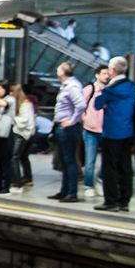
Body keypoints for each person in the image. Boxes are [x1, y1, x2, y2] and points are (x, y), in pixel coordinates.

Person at [92, 56, 135, 213]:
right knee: (125, 167)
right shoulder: (131, 86)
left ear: (112, 70)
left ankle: (111, 201)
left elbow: (97, 104)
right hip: (128, 131)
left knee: (109, 168)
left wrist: (102, 91)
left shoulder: (111, 89)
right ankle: (125, 201)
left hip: (112, 132)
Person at [49, 63, 87, 203]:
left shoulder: (72, 86)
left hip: (69, 129)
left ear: (62, 72)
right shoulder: (66, 86)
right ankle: (64, 191)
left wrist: (72, 120)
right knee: (65, 161)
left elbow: (81, 105)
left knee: (70, 160)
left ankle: (72, 193)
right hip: (62, 127)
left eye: (58, 69)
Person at [79, 64, 109, 199]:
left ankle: (100, 180)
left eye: (108, 74)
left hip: (106, 129)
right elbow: (80, 106)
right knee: (90, 160)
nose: (107, 76)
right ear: (97, 75)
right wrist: (84, 119)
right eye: (104, 74)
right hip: (90, 129)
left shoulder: (109, 90)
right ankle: (88, 186)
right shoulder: (89, 89)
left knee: (108, 160)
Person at [10, 84, 35, 193]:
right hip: (26, 134)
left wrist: (13, 118)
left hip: (22, 134)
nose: (10, 94)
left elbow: (23, 121)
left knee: (14, 157)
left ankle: (17, 182)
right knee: (23, 156)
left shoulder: (25, 105)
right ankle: (27, 177)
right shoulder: (23, 104)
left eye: (12, 92)